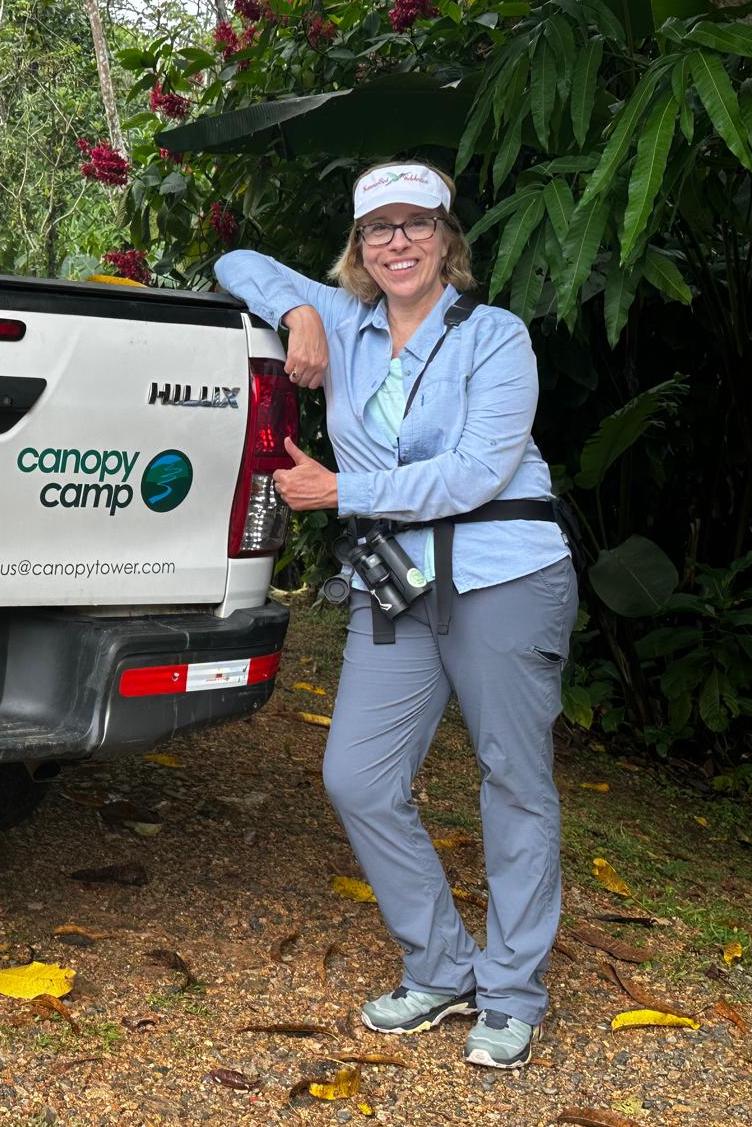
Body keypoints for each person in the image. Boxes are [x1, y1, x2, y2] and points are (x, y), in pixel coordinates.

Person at [215, 161, 578, 1070]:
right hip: (400, 582)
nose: (398, 242)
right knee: (358, 775)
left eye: (417, 224)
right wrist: (298, 313)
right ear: (359, 246)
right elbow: (237, 262)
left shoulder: (494, 335)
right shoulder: (344, 319)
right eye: (379, 228)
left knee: (513, 779)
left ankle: (511, 989)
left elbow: (476, 472)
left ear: (446, 239)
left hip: (503, 572)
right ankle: (443, 963)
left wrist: (342, 490)